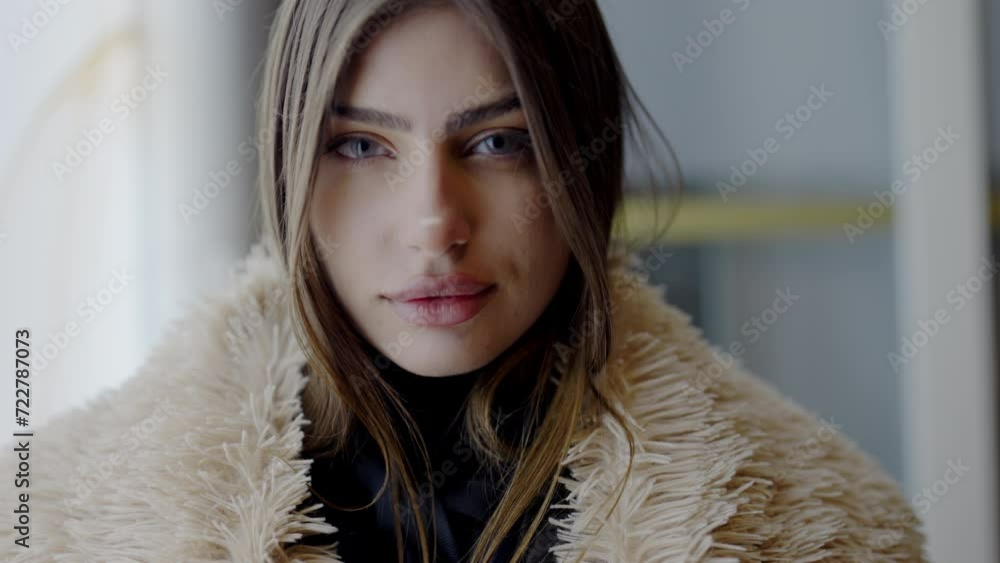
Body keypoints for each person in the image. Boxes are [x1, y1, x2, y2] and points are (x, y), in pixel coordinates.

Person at [0, 1, 926, 561]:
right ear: (289, 171)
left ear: (580, 157)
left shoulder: (828, 529)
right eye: (361, 145)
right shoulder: (53, 521)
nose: (437, 221)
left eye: (497, 142)